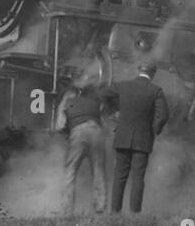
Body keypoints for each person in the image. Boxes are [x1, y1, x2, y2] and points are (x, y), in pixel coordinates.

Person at [111, 62, 168, 214]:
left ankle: (114, 212)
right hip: (142, 140)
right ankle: (134, 213)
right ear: (153, 73)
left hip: (122, 137)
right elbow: (163, 115)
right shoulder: (156, 90)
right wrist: (153, 130)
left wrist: (113, 113)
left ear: (138, 70)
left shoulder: (122, 86)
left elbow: (103, 95)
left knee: (119, 176)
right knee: (138, 178)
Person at [55, 73, 109, 215]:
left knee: (70, 172)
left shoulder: (67, 101)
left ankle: (66, 211)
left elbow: (60, 126)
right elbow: (105, 126)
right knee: (98, 171)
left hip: (78, 134)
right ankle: (100, 208)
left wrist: (69, 130)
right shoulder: (95, 103)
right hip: (97, 133)